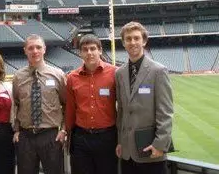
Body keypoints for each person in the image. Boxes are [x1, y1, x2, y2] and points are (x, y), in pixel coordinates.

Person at [115, 22, 173, 174]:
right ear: (123, 43)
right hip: (127, 153)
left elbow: (165, 112)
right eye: (128, 39)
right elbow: (121, 111)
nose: (132, 42)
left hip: (151, 149)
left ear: (144, 41)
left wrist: (160, 144)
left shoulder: (158, 71)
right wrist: (120, 142)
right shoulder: (119, 73)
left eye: (136, 38)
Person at [12, 34, 66, 174]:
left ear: (44, 49)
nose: (34, 51)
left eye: (38, 47)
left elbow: (67, 104)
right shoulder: (18, 77)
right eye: (30, 48)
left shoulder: (58, 74)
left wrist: (63, 129)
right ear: (25, 50)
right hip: (26, 137)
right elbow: (16, 104)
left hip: (50, 136)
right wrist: (17, 130)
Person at [66, 34, 118, 174]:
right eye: (85, 49)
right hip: (81, 138)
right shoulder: (72, 77)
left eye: (93, 48)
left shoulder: (115, 73)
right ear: (80, 53)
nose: (89, 53)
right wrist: (66, 131)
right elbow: (70, 109)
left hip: (107, 137)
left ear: (100, 50)